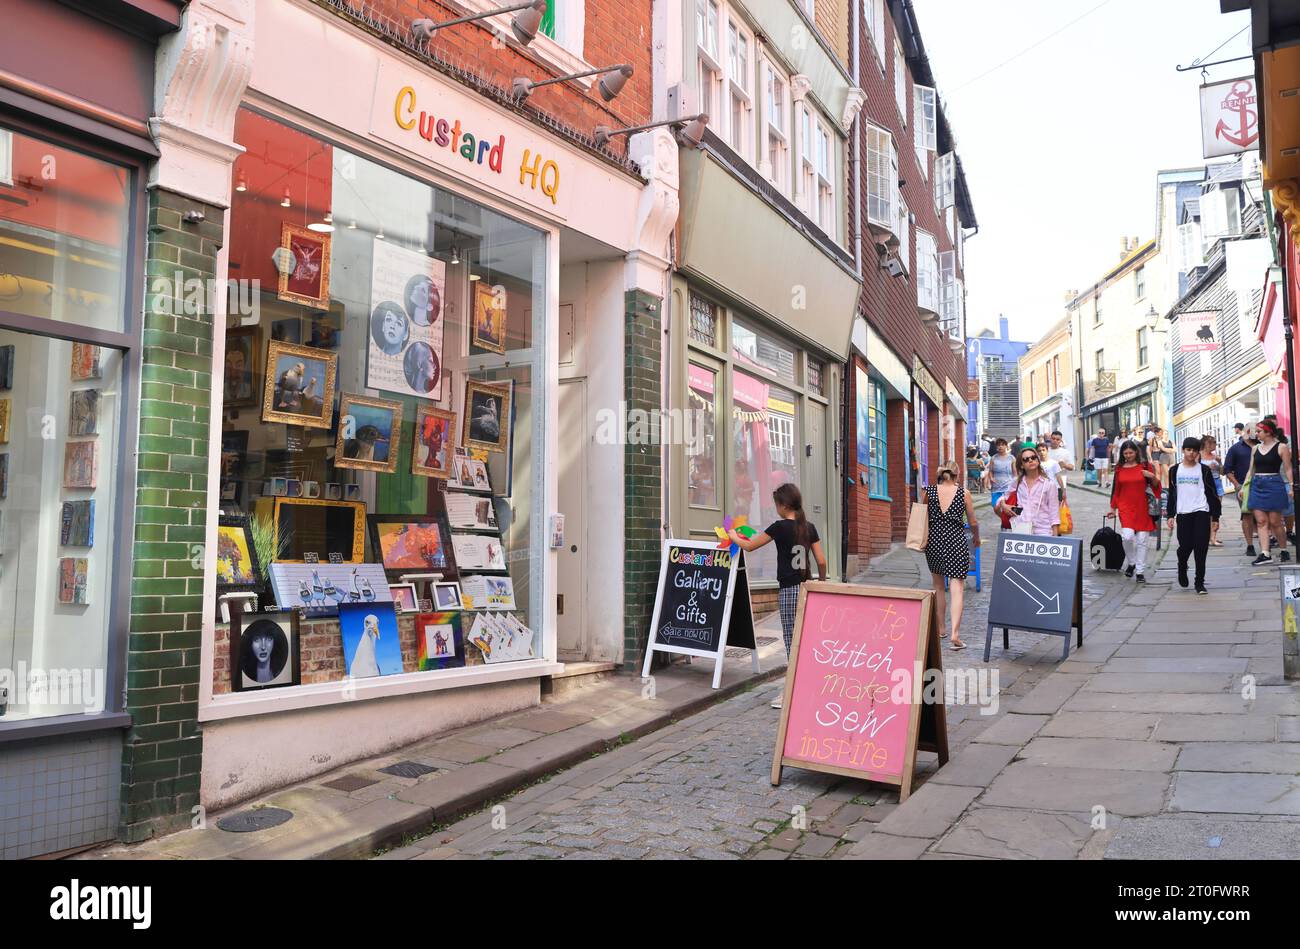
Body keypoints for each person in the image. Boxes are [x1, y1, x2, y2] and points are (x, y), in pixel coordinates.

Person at [728, 483, 827, 708]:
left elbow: (750, 546)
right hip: (808, 589)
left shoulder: (779, 527)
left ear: (782, 505)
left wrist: (733, 536)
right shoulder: (809, 527)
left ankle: (791, 693)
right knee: (805, 639)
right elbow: (821, 561)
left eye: (776, 505)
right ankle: (808, 686)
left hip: (789, 591)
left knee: (792, 642)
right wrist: (821, 583)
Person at [922, 461, 980, 650]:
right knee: (957, 589)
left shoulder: (929, 492)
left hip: (934, 542)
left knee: (939, 587)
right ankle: (955, 634)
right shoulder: (964, 493)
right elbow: (973, 521)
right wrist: (976, 538)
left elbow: (921, 517)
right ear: (957, 474)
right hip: (956, 542)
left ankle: (941, 629)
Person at [1167, 437, 1221, 595]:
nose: (1191, 453)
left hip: (1201, 511)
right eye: (1188, 450)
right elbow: (1172, 494)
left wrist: (1216, 517)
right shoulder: (1175, 470)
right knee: (1185, 547)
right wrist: (1170, 515)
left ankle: (1199, 582)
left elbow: (1212, 494)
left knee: (1201, 548)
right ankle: (1182, 566)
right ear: (1183, 450)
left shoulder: (1204, 470)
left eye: (1194, 450)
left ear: (1198, 452)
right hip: (1183, 513)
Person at [1109, 439, 1161, 582]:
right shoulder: (1119, 468)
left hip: (1143, 507)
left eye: (1131, 452)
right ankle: (1131, 562)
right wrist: (1113, 509)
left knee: (1142, 540)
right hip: (1125, 506)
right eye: (1125, 453)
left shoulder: (1146, 466)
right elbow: (1116, 490)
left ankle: (1140, 571)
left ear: (1136, 452)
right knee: (1127, 536)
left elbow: (1157, 486)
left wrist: (1151, 476)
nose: (1128, 455)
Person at [1245, 418, 1293, 565]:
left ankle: (1284, 549)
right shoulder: (1255, 449)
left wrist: (1291, 485)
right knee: (1261, 521)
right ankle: (1265, 553)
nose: (1256, 434)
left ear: (1268, 432)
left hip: (1274, 484)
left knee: (1275, 522)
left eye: (1259, 431)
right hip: (1257, 484)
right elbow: (1251, 469)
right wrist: (1244, 487)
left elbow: (1288, 468)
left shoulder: (1282, 447)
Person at [995, 445, 1061, 537]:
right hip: (1021, 529)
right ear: (1021, 465)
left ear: (1038, 461)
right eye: (1026, 459)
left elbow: (1054, 513)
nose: (1030, 460)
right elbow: (1004, 496)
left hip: (1043, 531)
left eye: (1033, 457)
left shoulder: (1049, 484)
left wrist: (1055, 538)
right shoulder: (1017, 482)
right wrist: (1004, 505)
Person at [1224, 423, 1258, 555]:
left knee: (1264, 516)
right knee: (1247, 515)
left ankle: (1266, 545)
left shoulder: (1261, 446)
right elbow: (1227, 469)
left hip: (1262, 484)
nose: (1257, 433)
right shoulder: (1235, 449)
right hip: (1244, 486)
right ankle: (1250, 545)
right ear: (1248, 431)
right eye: (1255, 431)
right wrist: (1237, 485)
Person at [1199, 434, 1225, 546]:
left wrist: (1219, 463)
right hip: (1204, 485)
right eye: (1213, 442)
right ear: (1206, 444)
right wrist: (1206, 469)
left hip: (1217, 483)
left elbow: (1223, 472)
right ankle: (1205, 536)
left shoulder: (1215, 456)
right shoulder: (1198, 456)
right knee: (1204, 512)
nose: (1215, 445)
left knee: (1215, 512)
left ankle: (1213, 537)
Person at [983, 438, 1016, 517]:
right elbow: (990, 471)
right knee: (996, 507)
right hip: (996, 487)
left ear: (1006, 446)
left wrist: (1016, 484)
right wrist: (991, 478)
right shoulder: (993, 458)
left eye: (1002, 445)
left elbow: (1015, 473)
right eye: (998, 445)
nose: (1000, 447)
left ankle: (1008, 522)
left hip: (1008, 487)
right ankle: (1003, 519)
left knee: (1008, 507)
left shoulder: (1011, 458)